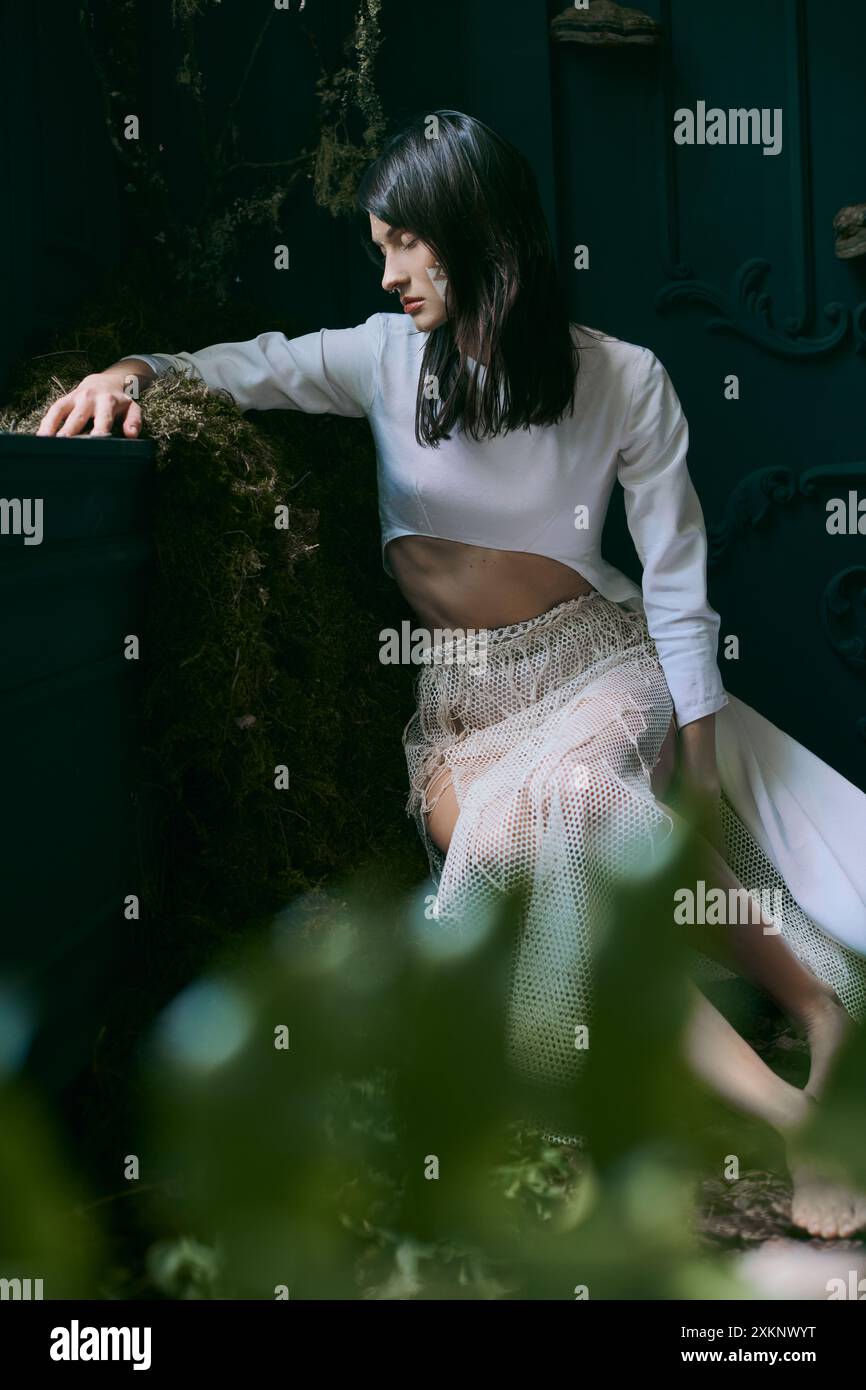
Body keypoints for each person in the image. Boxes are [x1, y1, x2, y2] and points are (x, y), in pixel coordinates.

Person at [37, 110, 866, 1239]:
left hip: (594, 666)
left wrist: (703, 774)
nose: (385, 278)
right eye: (378, 247)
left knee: (579, 799)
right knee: (543, 849)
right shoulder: (383, 361)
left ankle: (805, 1049)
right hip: (460, 709)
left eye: (401, 246)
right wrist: (125, 369)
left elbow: (675, 584)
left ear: (477, 236)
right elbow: (240, 368)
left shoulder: (622, 378)